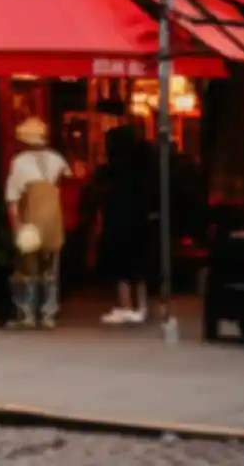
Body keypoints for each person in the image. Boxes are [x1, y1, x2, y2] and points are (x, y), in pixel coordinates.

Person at [4, 116, 72, 329]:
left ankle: (27, 313)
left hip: (30, 222)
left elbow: (13, 199)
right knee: (50, 269)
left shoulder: (19, 162)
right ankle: (48, 313)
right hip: (53, 221)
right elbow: (67, 181)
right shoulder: (57, 159)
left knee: (26, 270)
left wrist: (15, 226)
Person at [95, 101, 152, 325]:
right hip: (138, 207)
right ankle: (141, 305)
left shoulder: (115, 143)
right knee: (137, 256)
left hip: (119, 207)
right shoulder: (140, 145)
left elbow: (108, 174)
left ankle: (125, 304)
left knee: (119, 257)